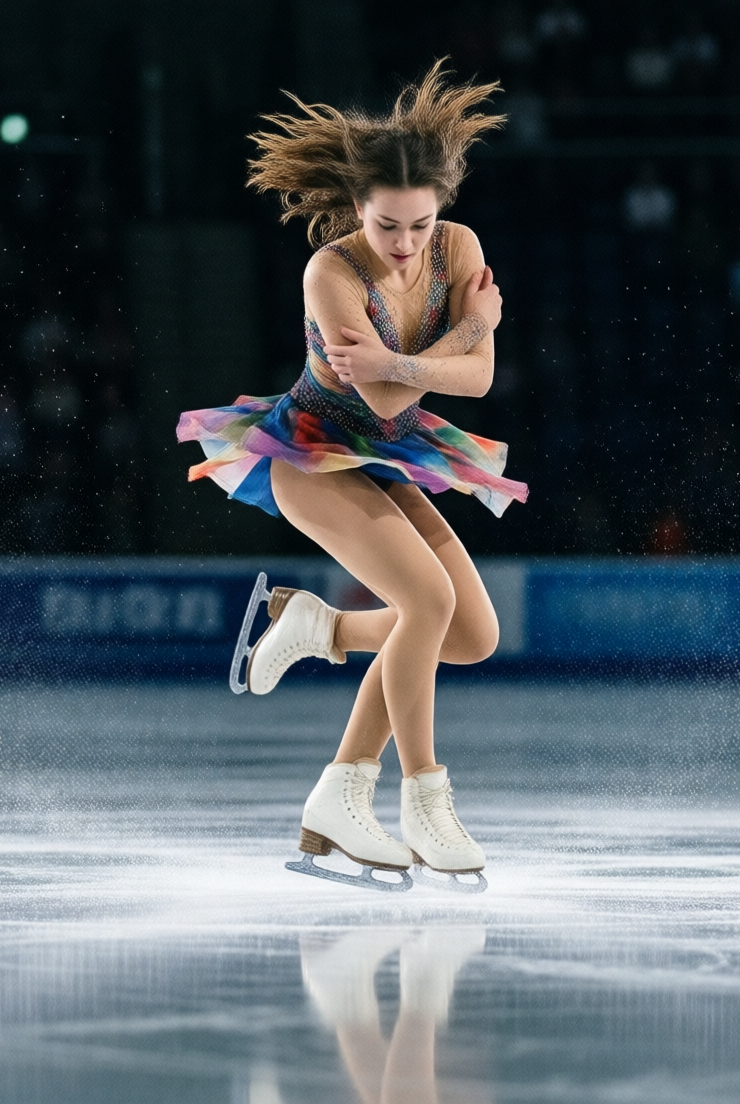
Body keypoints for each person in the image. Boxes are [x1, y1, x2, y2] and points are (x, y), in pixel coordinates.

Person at [176, 62, 527, 892]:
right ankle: (419, 798)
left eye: (419, 223)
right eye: (385, 224)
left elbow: (476, 382)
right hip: (309, 452)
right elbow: (378, 389)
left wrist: (428, 351)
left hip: (392, 452)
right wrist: (468, 329)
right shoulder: (331, 273)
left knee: (470, 637)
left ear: (440, 205)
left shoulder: (460, 247)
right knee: (428, 607)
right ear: (356, 206)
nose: (405, 243)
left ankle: (321, 639)